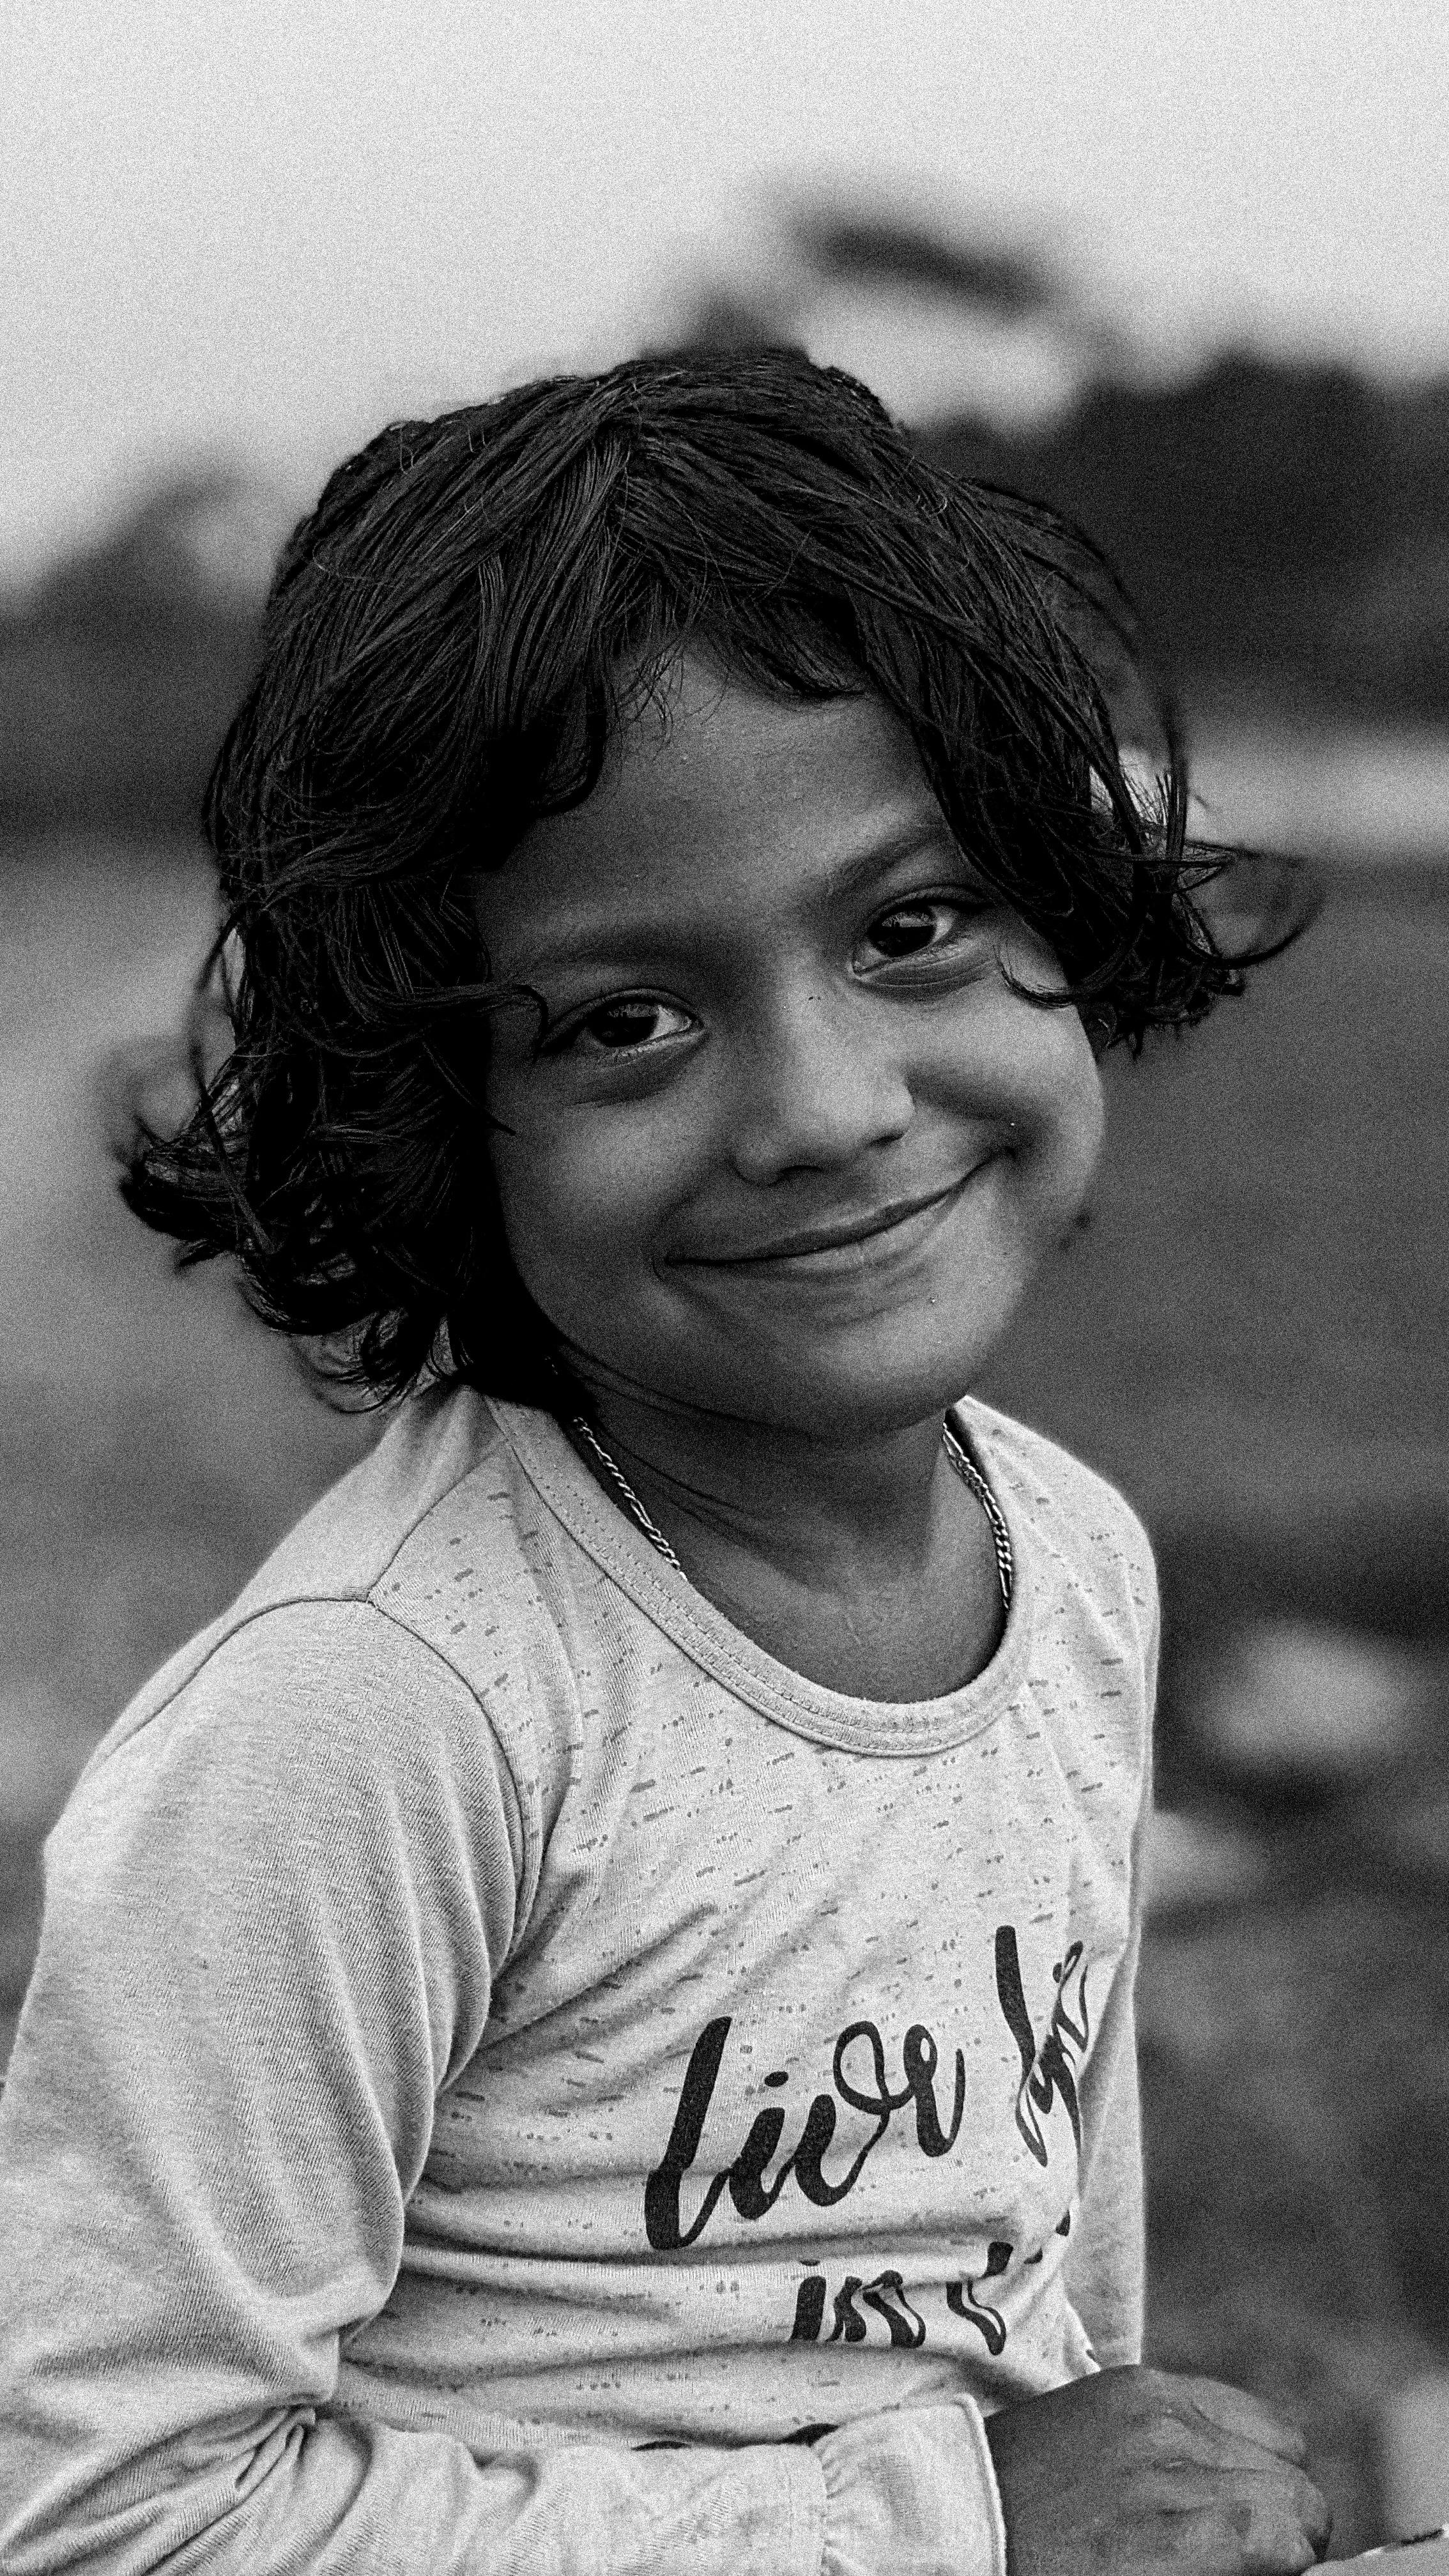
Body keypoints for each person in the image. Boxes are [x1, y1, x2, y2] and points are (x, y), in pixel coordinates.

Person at [0, 350, 1330, 2575]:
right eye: (629, 1019)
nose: (820, 1104)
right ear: (437, 1108)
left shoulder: (1072, 1560)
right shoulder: (390, 1710)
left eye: (908, 927)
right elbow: (111, 2517)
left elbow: (1035, 2325)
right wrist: (944, 2531)